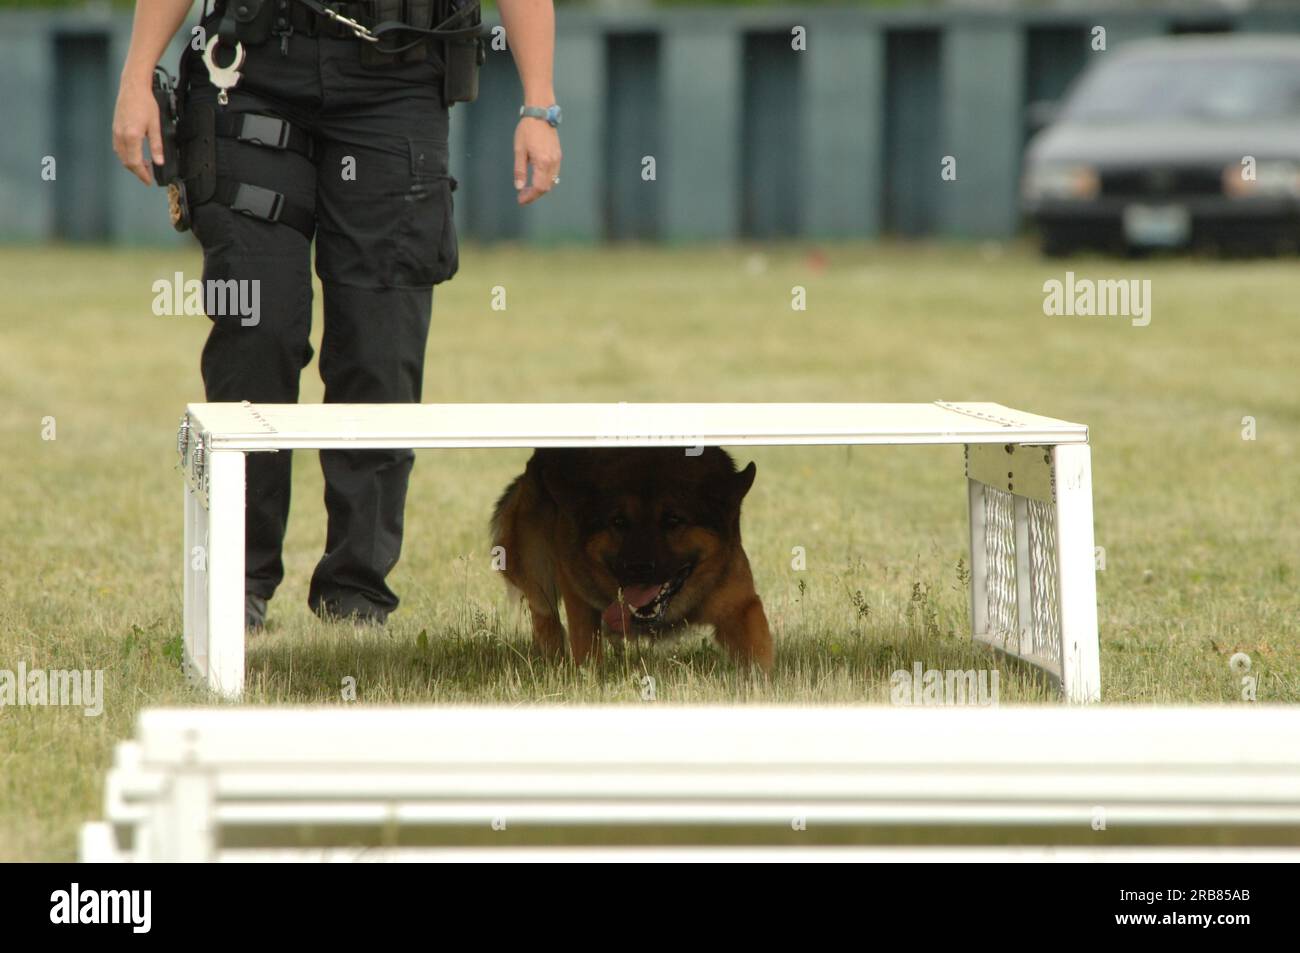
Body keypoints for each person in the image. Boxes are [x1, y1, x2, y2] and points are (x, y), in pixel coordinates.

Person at [112, 0, 561, 629]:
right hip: (253, 65)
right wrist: (136, 77)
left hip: (399, 75)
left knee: (379, 345)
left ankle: (356, 596)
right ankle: (238, 589)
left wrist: (539, 104)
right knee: (256, 322)